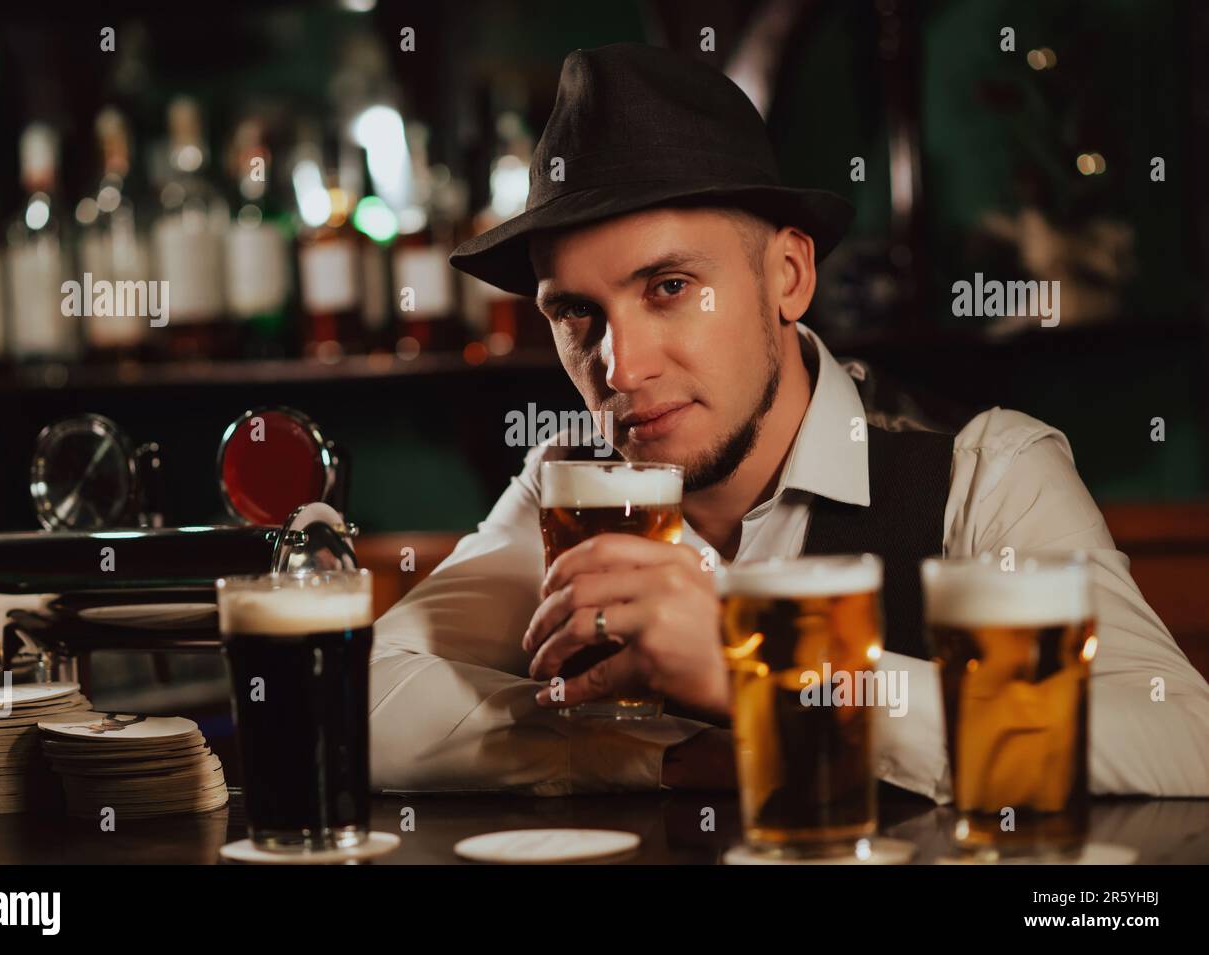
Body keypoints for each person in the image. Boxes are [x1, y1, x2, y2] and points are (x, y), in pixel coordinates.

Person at [368, 42, 1209, 799]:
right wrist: (654, 755)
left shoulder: (988, 471)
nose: (622, 367)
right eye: (578, 313)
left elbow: (1180, 738)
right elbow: (365, 702)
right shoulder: (573, 488)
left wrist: (769, 673)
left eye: (668, 287)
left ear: (789, 276)